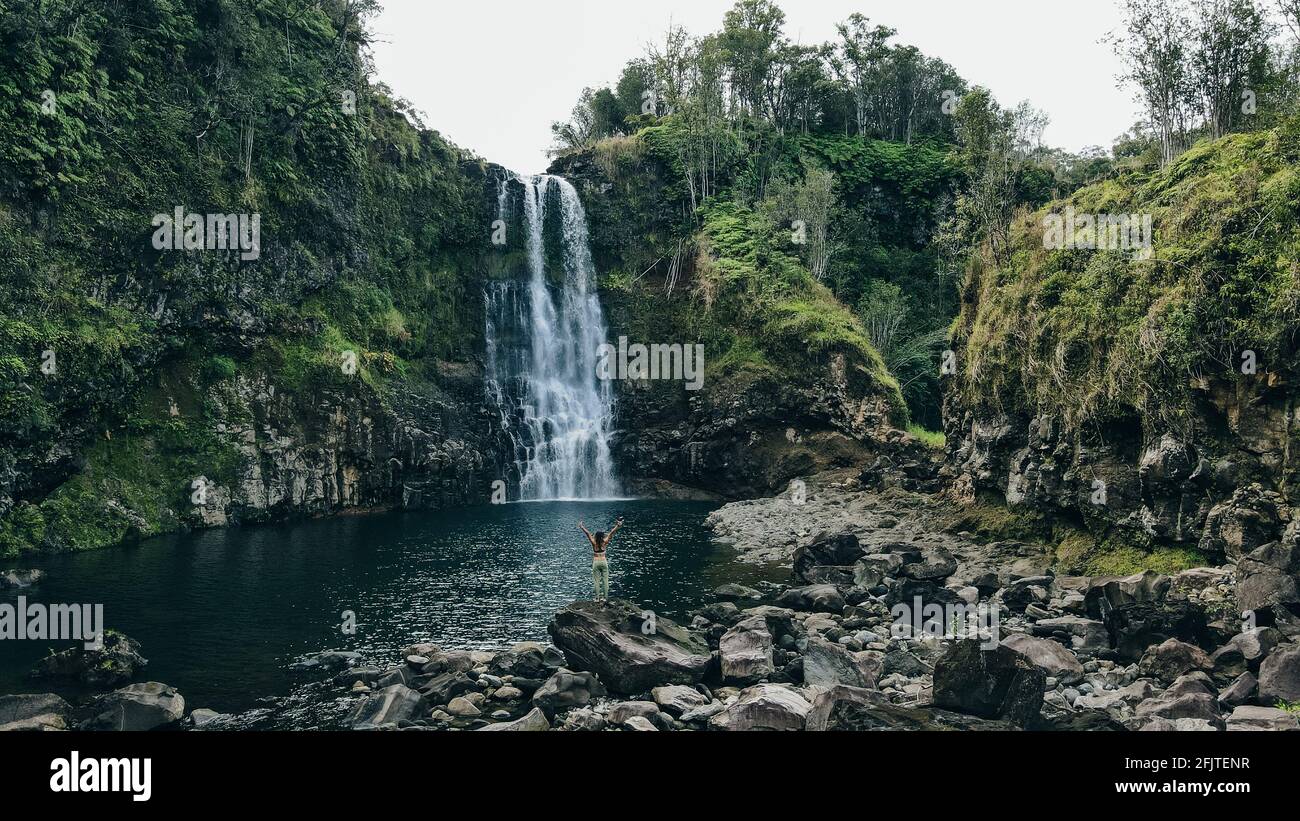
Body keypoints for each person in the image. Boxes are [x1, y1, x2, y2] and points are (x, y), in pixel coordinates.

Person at [578, 517, 623, 602]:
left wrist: (581, 526)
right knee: (605, 580)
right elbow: (612, 533)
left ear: (595, 536)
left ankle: (597, 598)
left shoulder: (593, 542)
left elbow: (587, 534)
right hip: (603, 561)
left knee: (596, 580)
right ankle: (605, 598)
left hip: (596, 562)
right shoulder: (605, 541)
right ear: (602, 536)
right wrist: (617, 526)